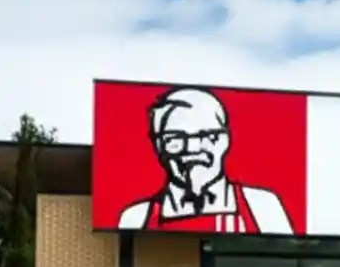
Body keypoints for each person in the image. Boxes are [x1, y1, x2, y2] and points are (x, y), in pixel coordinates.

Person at [118, 87, 292, 234]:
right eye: (175, 138)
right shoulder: (136, 218)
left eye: (207, 136)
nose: (193, 149)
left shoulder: (262, 206)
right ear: (158, 145)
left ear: (225, 140)